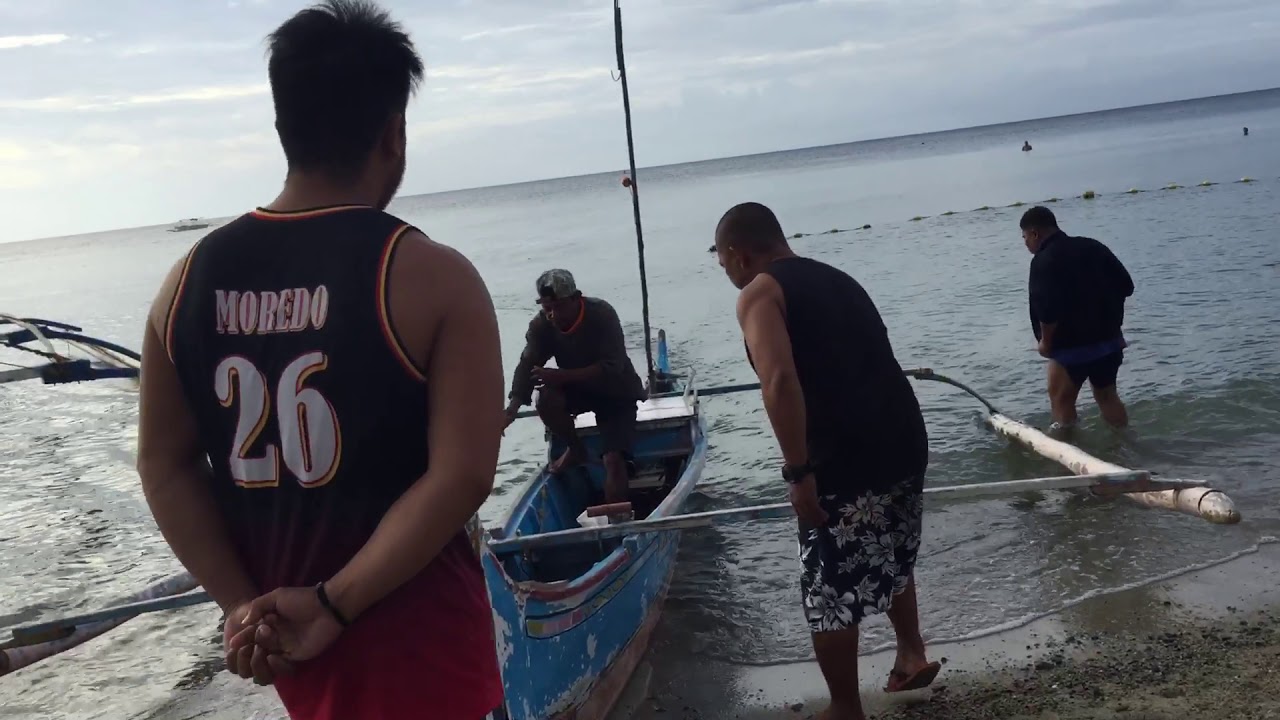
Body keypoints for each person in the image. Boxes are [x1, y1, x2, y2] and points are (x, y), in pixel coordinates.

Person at [133, 2, 505, 718]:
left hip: (293, 662)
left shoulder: (181, 286)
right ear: (393, 133)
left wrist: (242, 605)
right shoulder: (429, 275)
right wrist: (333, 604)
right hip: (430, 661)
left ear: (284, 128)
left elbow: (164, 465)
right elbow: (463, 474)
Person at [713, 202, 939, 720]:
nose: (725, 272)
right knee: (891, 548)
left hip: (845, 452)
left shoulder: (758, 293)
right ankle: (910, 653)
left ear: (737, 253)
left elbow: (778, 381)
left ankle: (843, 706)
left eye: (722, 262)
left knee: (827, 586)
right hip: (903, 434)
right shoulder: (838, 278)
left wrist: (798, 472)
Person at [504, 269, 645, 504]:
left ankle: (617, 524)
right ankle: (575, 448)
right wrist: (511, 410)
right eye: (547, 308)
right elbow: (527, 364)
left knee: (613, 461)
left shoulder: (602, 315)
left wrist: (561, 376)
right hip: (578, 392)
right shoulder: (541, 326)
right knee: (546, 399)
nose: (552, 315)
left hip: (616, 393)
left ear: (575, 298)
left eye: (558, 307)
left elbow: (613, 366)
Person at [1021, 205, 1134, 430]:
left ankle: (1069, 460)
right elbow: (1127, 286)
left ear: (1035, 233)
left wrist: (1046, 343)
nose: (1025, 243)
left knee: (1062, 403)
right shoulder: (1093, 246)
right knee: (1108, 397)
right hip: (1108, 342)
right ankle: (1125, 446)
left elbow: (1047, 309)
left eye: (1024, 237)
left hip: (1069, 349)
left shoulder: (1043, 261)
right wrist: (1112, 320)